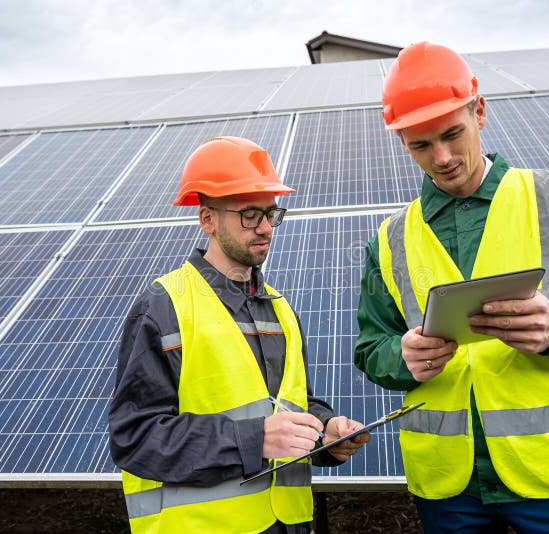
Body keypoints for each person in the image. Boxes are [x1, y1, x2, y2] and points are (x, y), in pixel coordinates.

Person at [354, 42, 549, 533]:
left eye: (453, 134)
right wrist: (400, 358)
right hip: (449, 484)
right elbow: (371, 349)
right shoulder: (389, 240)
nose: (443, 158)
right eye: (420, 145)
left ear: (480, 110)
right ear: (401, 140)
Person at [109, 136, 370, 533]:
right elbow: (135, 438)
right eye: (249, 214)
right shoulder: (164, 307)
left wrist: (326, 433)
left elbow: (288, 406)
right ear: (207, 218)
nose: (266, 228)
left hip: (291, 524)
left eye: (271, 213)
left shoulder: (281, 309)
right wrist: (255, 439)